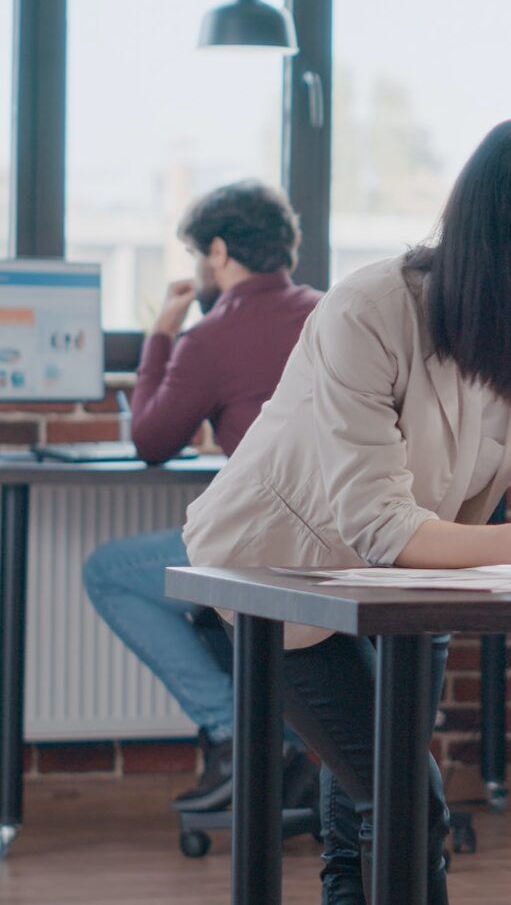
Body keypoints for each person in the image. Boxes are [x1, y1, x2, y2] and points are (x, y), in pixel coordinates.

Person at [183, 117, 511, 904]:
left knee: (373, 816)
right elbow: (379, 525)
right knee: (406, 796)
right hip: (282, 569)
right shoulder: (368, 309)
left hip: (422, 576)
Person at [81, 180, 322, 813]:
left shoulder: (214, 333)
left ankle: (240, 735)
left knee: (109, 571)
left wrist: (163, 331)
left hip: (264, 545)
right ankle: (285, 746)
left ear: (218, 251)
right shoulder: (332, 313)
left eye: (198, 255)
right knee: (228, 604)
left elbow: (152, 440)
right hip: (351, 542)